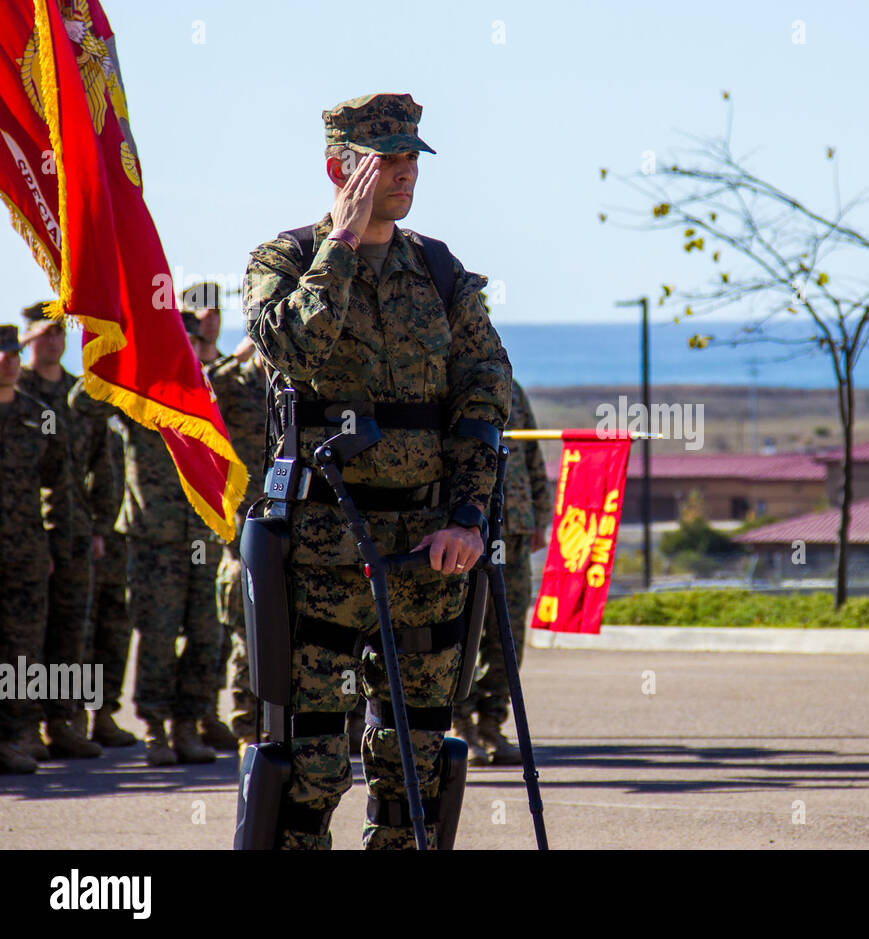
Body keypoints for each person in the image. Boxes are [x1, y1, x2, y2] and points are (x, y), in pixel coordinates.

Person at [243, 92, 511, 849]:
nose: (403, 173)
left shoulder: (438, 267)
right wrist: (344, 246)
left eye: (408, 159)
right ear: (338, 166)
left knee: (417, 757)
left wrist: (467, 514)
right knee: (311, 759)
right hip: (325, 540)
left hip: (427, 543)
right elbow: (294, 347)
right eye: (383, 159)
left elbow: (483, 387)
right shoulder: (286, 259)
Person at [117, 317, 224, 765]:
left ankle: (189, 726)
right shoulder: (139, 398)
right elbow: (81, 403)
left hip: (206, 536)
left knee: (206, 635)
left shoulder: (217, 399)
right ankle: (155, 729)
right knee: (158, 636)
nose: (187, 352)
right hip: (156, 540)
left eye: (193, 344)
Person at [15, 304, 103, 759]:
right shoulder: (15, 394)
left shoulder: (77, 394)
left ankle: (63, 720)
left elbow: (103, 464)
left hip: (75, 532)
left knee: (73, 633)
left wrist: (100, 526)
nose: (55, 341)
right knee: (26, 637)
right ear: (27, 339)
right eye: (46, 334)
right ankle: (22, 726)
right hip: (26, 534)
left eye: (59, 334)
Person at [453, 379, 551, 765]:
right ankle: (460, 726)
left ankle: (492, 722)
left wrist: (539, 516)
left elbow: (531, 457)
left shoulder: (509, 387)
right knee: (461, 630)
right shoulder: (447, 380)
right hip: (463, 528)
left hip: (513, 527)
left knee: (507, 632)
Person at [0, 324, 68, 773]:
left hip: (25, 548)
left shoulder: (36, 414)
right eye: (1, 354)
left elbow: (54, 479)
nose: (7, 360)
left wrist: (47, 539)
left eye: (11, 354)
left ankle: (16, 735)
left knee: (23, 649)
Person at [203, 334, 266, 752]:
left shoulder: (300, 386)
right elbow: (201, 387)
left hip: (294, 522)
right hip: (246, 527)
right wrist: (240, 352)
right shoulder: (233, 382)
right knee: (247, 632)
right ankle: (247, 728)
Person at [68, 378, 137, 747]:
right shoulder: (106, 400)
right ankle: (75, 712)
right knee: (86, 627)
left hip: (126, 531)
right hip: (93, 532)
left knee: (116, 627)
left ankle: (105, 713)